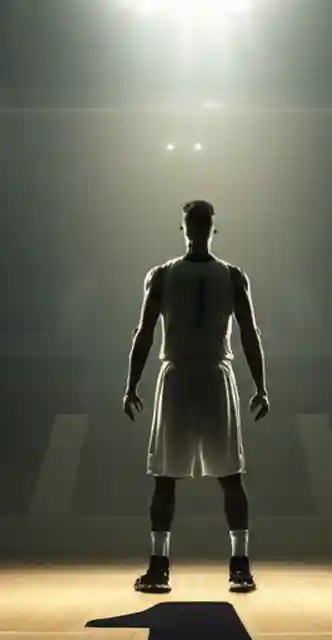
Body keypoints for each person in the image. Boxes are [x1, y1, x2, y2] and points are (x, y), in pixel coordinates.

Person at [122, 200, 269, 593]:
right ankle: (238, 567)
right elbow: (249, 335)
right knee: (221, 477)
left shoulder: (168, 275)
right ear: (204, 228)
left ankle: (161, 567)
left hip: (189, 375)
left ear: (187, 227)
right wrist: (260, 386)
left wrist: (132, 384)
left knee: (174, 478)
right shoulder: (227, 276)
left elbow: (145, 333)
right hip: (204, 374)